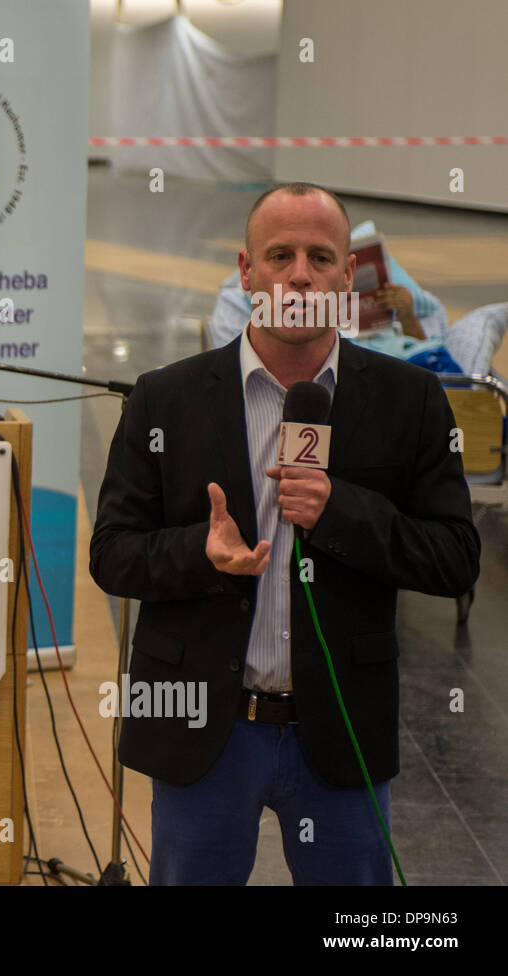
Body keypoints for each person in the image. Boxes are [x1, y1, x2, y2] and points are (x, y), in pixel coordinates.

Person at [89, 182, 481, 885]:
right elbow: (113, 555)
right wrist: (199, 556)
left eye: (320, 256)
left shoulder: (409, 400)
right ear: (246, 273)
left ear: (347, 275)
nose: (299, 273)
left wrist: (342, 513)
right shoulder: (165, 398)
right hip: (204, 731)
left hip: (339, 733)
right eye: (279, 255)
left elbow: (454, 557)